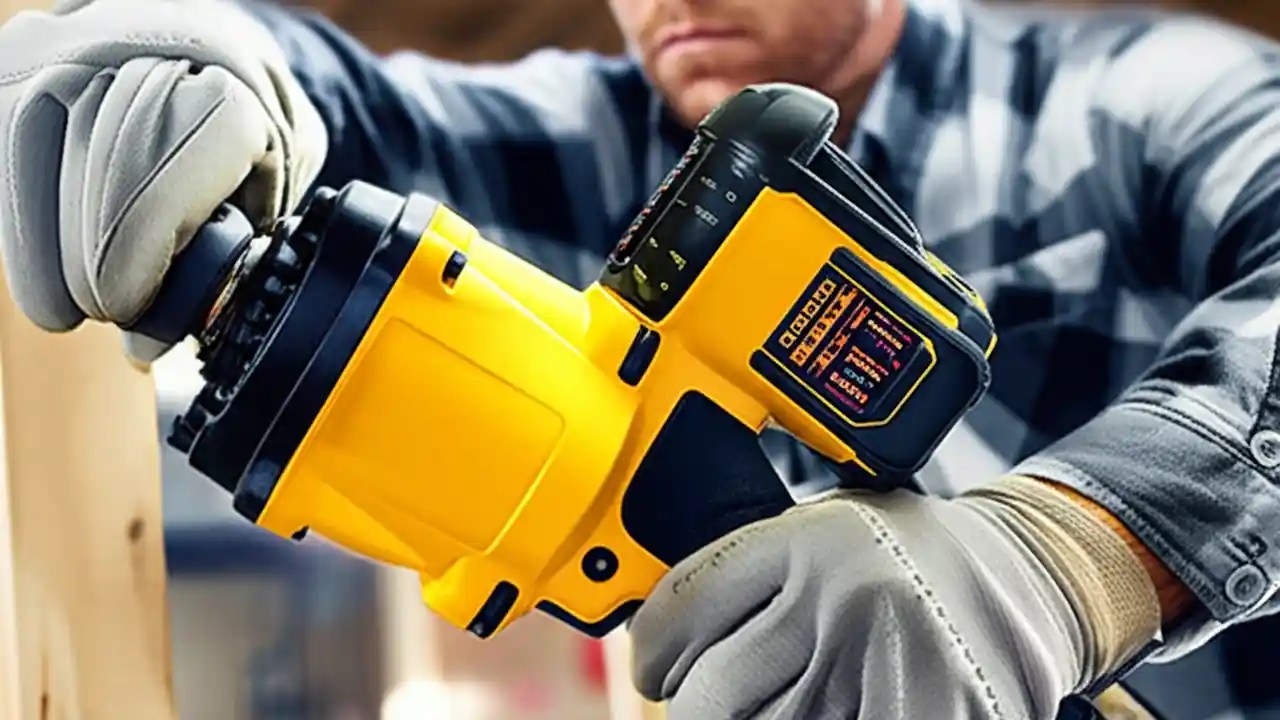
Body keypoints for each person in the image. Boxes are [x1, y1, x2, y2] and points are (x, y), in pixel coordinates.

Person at [0, 0, 1276, 716]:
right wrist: (181, 61)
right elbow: (345, 103)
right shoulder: (621, 150)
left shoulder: (1129, 96)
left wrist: (1067, 562)